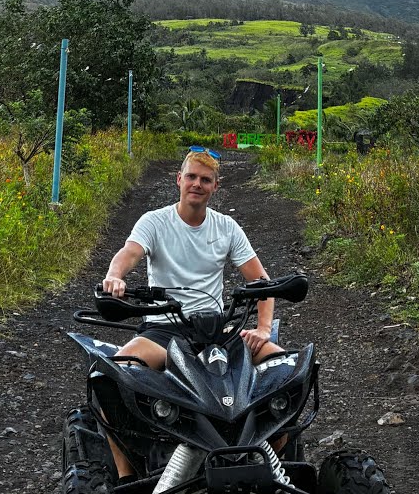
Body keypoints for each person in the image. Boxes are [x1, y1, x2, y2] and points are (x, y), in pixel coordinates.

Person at [101, 146, 284, 476]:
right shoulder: (155, 222)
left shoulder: (226, 227)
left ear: (215, 186)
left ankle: (271, 467)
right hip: (165, 327)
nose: (197, 184)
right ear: (179, 180)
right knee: (113, 376)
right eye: (191, 177)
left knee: (284, 371)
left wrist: (263, 329)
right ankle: (126, 479)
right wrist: (115, 276)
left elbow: (262, 282)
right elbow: (129, 252)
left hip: (217, 329)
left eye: (205, 179)